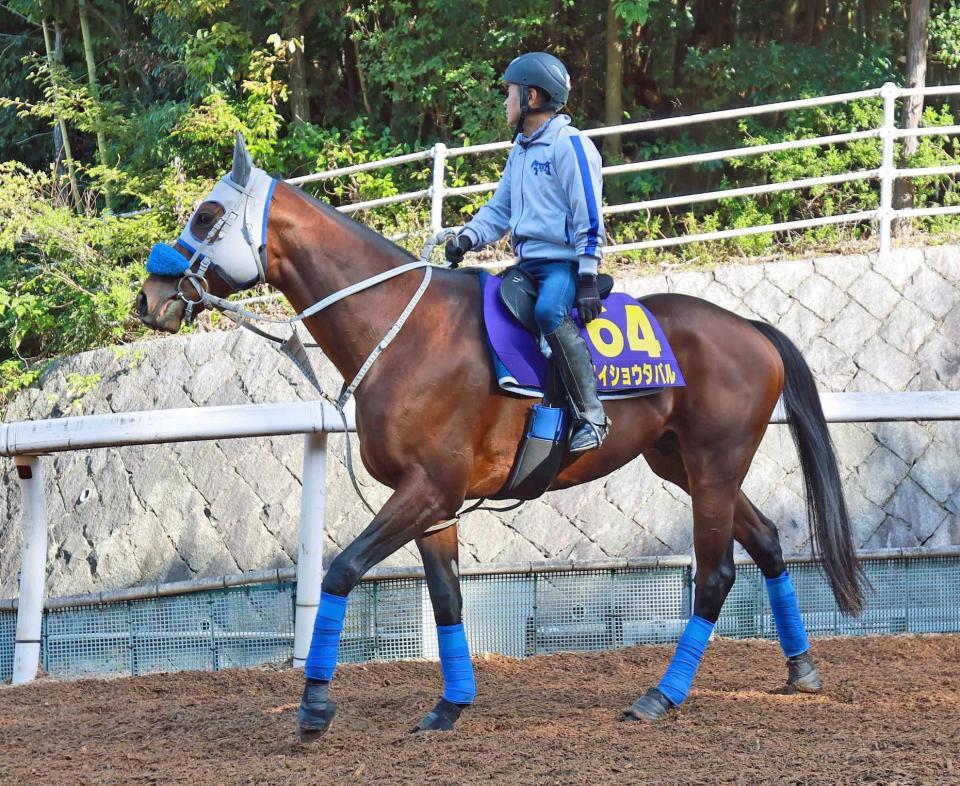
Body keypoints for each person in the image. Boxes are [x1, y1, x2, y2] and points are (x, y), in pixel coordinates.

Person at [446, 51, 609, 452]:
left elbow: (587, 210)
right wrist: (467, 238)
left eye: (510, 94)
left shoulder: (570, 146)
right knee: (486, 301)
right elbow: (500, 210)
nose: (506, 102)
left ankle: (592, 415)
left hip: (563, 265)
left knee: (548, 312)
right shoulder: (520, 151)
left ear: (531, 97)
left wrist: (587, 275)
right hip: (527, 265)